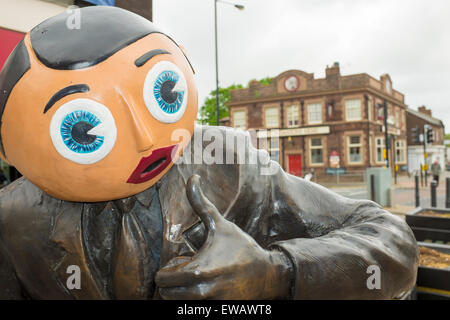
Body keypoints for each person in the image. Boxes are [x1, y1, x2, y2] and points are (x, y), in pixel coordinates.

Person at [0, 6, 418, 299]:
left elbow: (392, 244)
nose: (146, 140)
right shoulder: (12, 220)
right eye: (82, 130)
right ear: (12, 146)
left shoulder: (231, 165)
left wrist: (276, 273)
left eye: (164, 92)